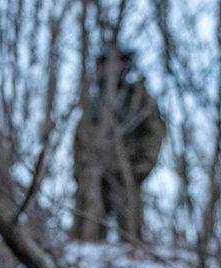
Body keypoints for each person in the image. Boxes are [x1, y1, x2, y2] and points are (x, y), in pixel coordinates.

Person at [71, 50, 166, 242]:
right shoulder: (95, 100)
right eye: (107, 63)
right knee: (87, 231)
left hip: (127, 171)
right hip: (96, 173)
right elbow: (80, 138)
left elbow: (155, 133)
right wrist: (81, 170)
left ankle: (132, 263)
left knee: (131, 230)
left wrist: (141, 167)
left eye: (118, 62)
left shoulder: (138, 97)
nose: (113, 67)